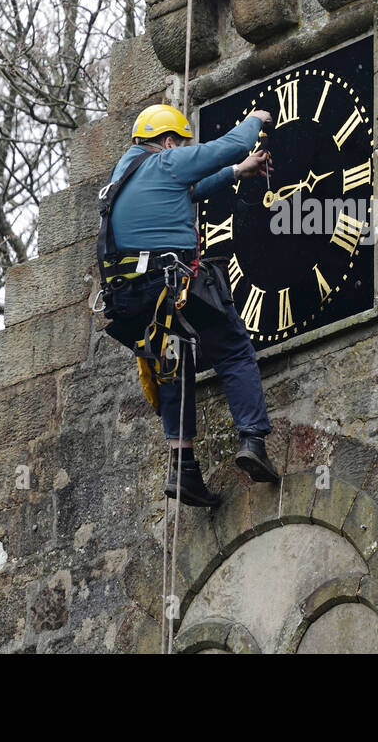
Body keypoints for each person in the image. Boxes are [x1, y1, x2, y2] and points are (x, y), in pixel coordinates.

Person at [102, 102, 279, 508]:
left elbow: (195, 185)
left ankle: (183, 469)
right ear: (167, 143)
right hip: (171, 282)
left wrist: (237, 173)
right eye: (180, 144)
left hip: (130, 300)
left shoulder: (123, 178)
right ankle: (252, 439)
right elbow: (229, 145)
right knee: (233, 348)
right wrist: (256, 120)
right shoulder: (166, 164)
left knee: (174, 364)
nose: (181, 150)